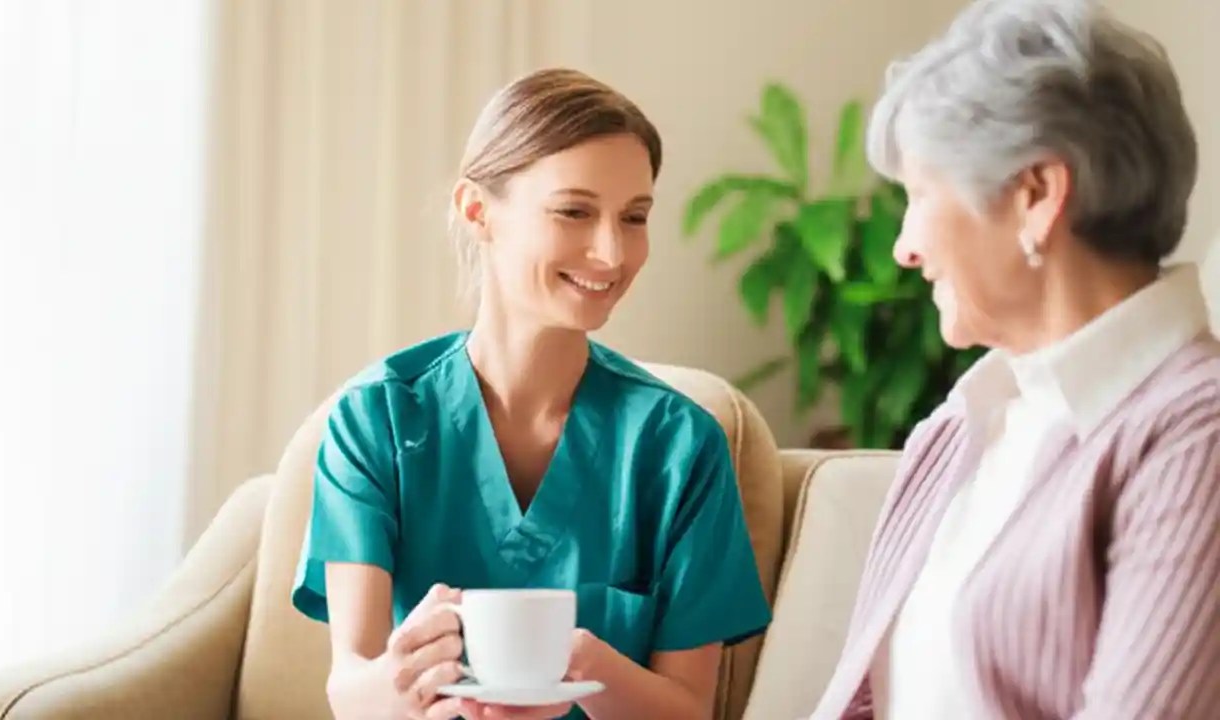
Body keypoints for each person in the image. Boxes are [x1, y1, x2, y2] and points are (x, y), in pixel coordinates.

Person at [290, 68, 771, 720]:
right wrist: (404, 681)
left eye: (634, 218)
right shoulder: (374, 421)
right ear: (477, 210)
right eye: (574, 211)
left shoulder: (680, 446)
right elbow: (350, 691)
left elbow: (689, 710)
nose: (610, 252)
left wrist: (581, 666)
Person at [812, 1, 1220, 718]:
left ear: (1037, 195)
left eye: (920, 194)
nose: (904, 246)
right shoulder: (964, 422)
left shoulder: (1197, 432)